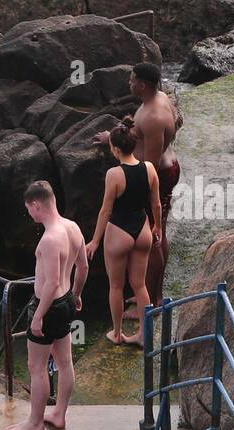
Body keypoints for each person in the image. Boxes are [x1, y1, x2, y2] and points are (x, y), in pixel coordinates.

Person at [95, 63, 180, 314]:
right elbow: (140, 133)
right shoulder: (159, 99)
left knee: (153, 236)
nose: (129, 83)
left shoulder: (153, 117)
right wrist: (112, 138)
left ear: (142, 84)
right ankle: (154, 294)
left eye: (132, 80)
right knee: (159, 230)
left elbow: (150, 167)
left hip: (159, 175)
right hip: (166, 169)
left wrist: (129, 187)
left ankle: (152, 303)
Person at [5, 182, 88, 430]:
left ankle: (34, 422)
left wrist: (38, 316)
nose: (29, 214)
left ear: (36, 205)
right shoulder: (73, 228)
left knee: (36, 366)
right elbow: (82, 267)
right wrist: (76, 294)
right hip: (65, 302)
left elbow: (51, 282)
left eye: (29, 209)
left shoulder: (50, 238)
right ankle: (59, 414)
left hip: (49, 306)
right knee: (64, 362)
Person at [86, 118, 161, 346]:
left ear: (116, 149)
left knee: (116, 286)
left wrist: (95, 241)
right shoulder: (149, 168)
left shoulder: (114, 175)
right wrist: (157, 225)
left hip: (119, 231)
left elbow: (105, 211)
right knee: (139, 285)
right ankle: (142, 335)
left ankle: (117, 334)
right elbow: (156, 204)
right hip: (143, 229)